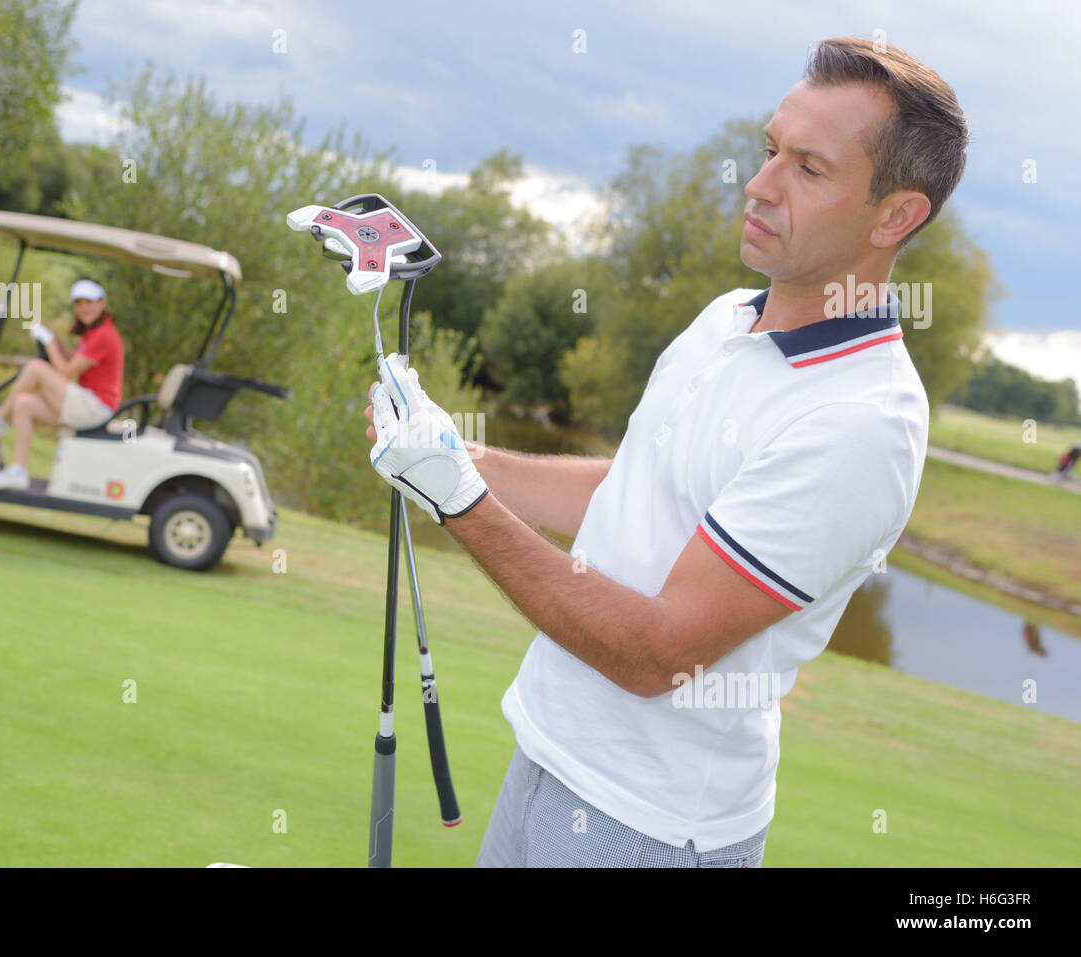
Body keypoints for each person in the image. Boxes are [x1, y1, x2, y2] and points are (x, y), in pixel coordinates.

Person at [365, 36, 965, 866]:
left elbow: (658, 652)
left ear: (895, 215)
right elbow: (636, 488)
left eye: (809, 169)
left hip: (648, 824)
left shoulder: (862, 420)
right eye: (768, 152)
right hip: (547, 751)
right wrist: (454, 456)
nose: (758, 186)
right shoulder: (725, 317)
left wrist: (461, 501)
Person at [0, 279, 124, 490]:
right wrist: (53, 338)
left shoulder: (104, 335)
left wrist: (48, 342)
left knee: (36, 367)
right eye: (79, 303)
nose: (84, 308)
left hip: (95, 408)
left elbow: (66, 372)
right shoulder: (94, 333)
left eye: (89, 302)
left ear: (102, 303)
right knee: (23, 404)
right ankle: (18, 471)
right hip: (86, 405)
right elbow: (75, 359)